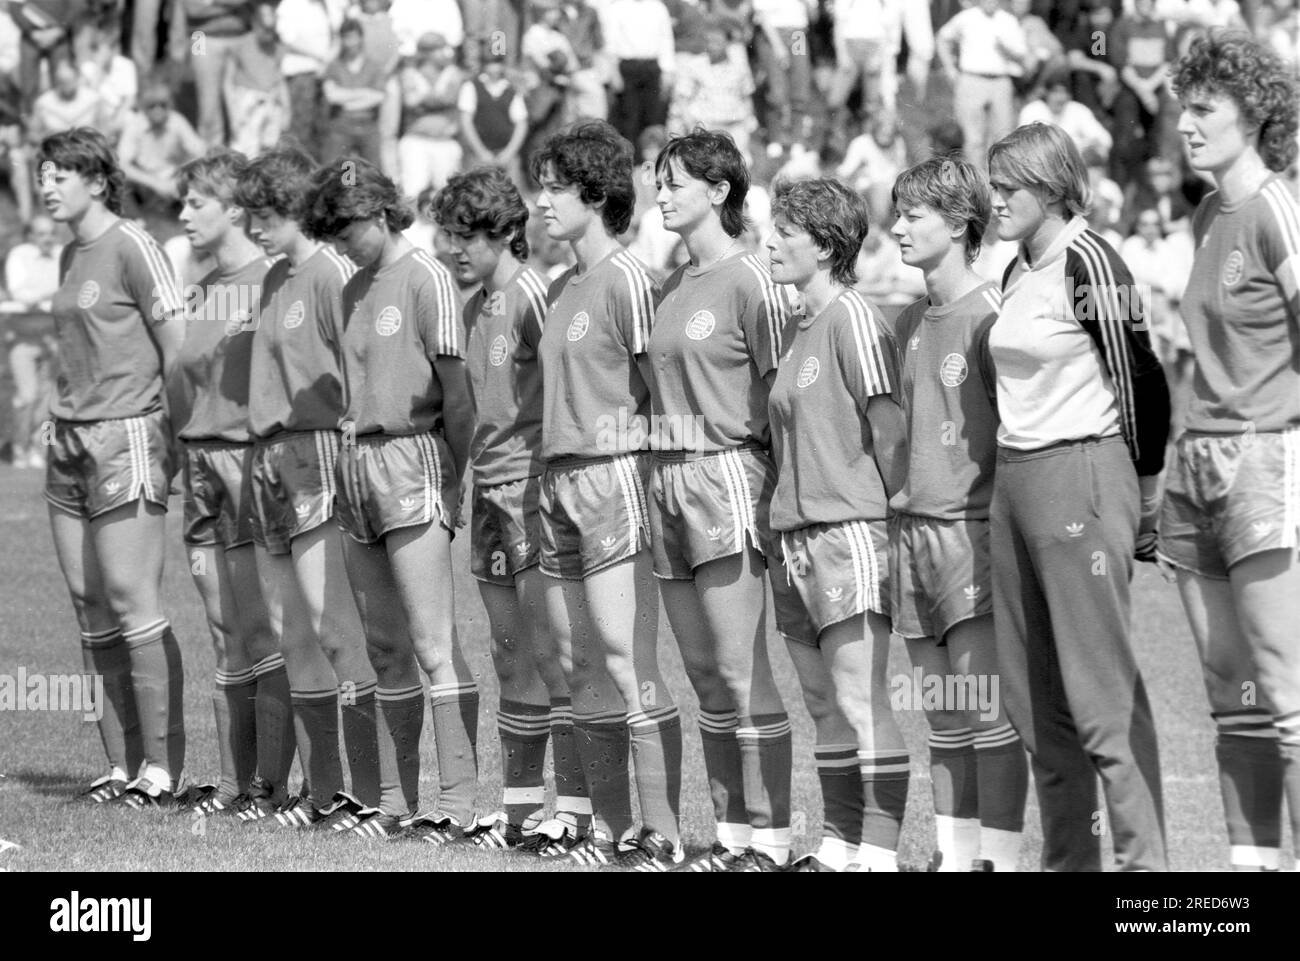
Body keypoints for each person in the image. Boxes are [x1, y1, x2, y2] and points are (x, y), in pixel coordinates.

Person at [986, 121, 1172, 871]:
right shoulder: (1015, 269)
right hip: (1015, 481)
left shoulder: (1092, 261)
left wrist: (1145, 497)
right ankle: (1070, 862)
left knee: (1100, 697)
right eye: (992, 186)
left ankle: (1146, 874)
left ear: (1053, 188)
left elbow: (1145, 381)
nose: (994, 201)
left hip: (1081, 475)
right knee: (1036, 707)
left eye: (1008, 189)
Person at [301, 157, 478, 840]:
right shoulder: (350, 290)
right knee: (383, 648)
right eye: (333, 232)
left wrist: (458, 479)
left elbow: (458, 399)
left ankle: (461, 802)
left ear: (379, 212)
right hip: (357, 468)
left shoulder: (429, 277)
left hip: (414, 461)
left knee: (433, 641)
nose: (340, 243)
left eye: (347, 228)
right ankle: (399, 804)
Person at [1160, 30, 1300, 872]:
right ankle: (1249, 878)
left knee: (1285, 688)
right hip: (1195, 460)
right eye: (1184, 106)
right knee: (1229, 694)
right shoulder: (1209, 210)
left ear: (1255, 115)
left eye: (1204, 109)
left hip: (1261, 459)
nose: (1186, 122)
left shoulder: (1278, 209)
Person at [529, 120, 683, 866]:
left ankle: (664, 832)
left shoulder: (628, 279)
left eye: (556, 186)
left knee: (625, 656)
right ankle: (609, 829)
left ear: (596, 193)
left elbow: (664, 393)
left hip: (612, 479)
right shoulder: (561, 286)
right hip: (555, 479)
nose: (543, 199)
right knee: (575, 660)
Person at [429, 165, 591, 849]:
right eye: (448, 236)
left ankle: (577, 808)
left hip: (529, 494)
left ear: (502, 234)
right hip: (488, 495)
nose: (453, 250)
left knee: (555, 654)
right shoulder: (473, 309)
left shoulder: (533, 297)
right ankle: (521, 807)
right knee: (507, 654)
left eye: (466, 237)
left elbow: (561, 395)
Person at [647, 129, 794, 871]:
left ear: (720, 192)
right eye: (659, 180)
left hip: (728, 477)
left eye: (675, 181)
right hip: (666, 484)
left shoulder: (752, 281)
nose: (662, 193)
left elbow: (780, 394)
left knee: (742, 670)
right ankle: (731, 835)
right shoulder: (671, 283)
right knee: (702, 673)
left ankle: (770, 838)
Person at [234, 145, 382, 830]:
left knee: (335, 629)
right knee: (292, 633)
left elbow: (356, 372)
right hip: (268, 461)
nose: (254, 226)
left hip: (317, 457)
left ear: (296, 208)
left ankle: (368, 795)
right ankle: (322, 794)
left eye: (265, 213)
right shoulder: (273, 280)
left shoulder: (330, 274)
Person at [39, 126, 187, 806]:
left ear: (97, 181)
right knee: (88, 604)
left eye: (59, 173)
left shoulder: (134, 245)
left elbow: (176, 351)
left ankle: (159, 767)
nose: (46, 184)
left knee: (133, 602)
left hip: (125, 435)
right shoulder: (70, 252)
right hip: (67, 442)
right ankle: (119, 765)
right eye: (42, 173)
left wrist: (172, 439)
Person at [764, 177, 910, 872]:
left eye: (783, 230)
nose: (768, 241)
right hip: (793, 538)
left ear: (824, 244)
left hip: (847, 531)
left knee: (859, 696)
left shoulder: (855, 317)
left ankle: (879, 852)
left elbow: (892, 434)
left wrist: (890, 528)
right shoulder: (797, 326)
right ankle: (838, 843)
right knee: (821, 701)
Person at [888, 156, 1028, 872]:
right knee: (941, 711)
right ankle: (955, 856)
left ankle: (999, 861)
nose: (898, 227)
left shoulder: (993, 317)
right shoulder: (909, 320)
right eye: (899, 212)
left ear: (960, 222)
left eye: (914, 215)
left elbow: (1021, 438)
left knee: (989, 711)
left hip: (973, 538)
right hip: (913, 538)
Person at [168, 151, 296, 818]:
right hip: (200, 466)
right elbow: (184, 384)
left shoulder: (276, 279)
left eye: (196, 201)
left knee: (265, 627)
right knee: (223, 629)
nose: (183, 214)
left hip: (251, 463)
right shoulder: (202, 286)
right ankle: (229, 781)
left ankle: (270, 785)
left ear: (234, 207)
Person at [936, 0, 1028, 172]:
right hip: (972, 79)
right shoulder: (966, 18)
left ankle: (999, 181)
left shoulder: (1008, 20)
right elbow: (943, 37)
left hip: (1000, 79)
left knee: (1003, 136)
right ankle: (977, 182)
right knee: (973, 138)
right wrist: (950, 67)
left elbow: (1022, 53)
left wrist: (1007, 49)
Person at [2, 214, 61, 468]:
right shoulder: (19, 255)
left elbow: (70, 288)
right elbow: (20, 293)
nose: (47, 239)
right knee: (27, 396)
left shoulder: (61, 254)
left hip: (53, 337)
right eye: (41, 233)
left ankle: (41, 450)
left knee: (48, 402)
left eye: (50, 233)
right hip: (22, 338)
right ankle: (19, 447)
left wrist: (42, 294)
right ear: (31, 236)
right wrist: (50, 292)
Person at [117, 82, 207, 217]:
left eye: (163, 105)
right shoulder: (134, 126)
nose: (158, 110)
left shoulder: (177, 121)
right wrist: (156, 184)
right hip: (144, 181)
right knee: (119, 182)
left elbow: (201, 152)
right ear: (143, 108)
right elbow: (123, 165)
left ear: (169, 105)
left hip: (174, 177)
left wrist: (180, 180)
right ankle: (138, 220)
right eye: (152, 106)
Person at [398, 32, 465, 199]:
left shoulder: (452, 72)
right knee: (413, 191)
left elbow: (450, 98)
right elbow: (410, 101)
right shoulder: (410, 73)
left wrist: (424, 100)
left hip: (445, 141)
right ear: (427, 53)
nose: (445, 54)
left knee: (448, 196)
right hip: (416, 141)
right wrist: (437, 100)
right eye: (440, 50)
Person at [321, 18, 386, 167]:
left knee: (371, 174)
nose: (351, 43)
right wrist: (363, 92)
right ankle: (346, 189)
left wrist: (347, 97)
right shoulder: (334, 65)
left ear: (361, 38)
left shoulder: (373, 66)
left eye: (354, 37)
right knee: (340, 174)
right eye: (346, 38)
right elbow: (332, 96)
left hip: (368, 125)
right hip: (341, 126)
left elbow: (379, 97)